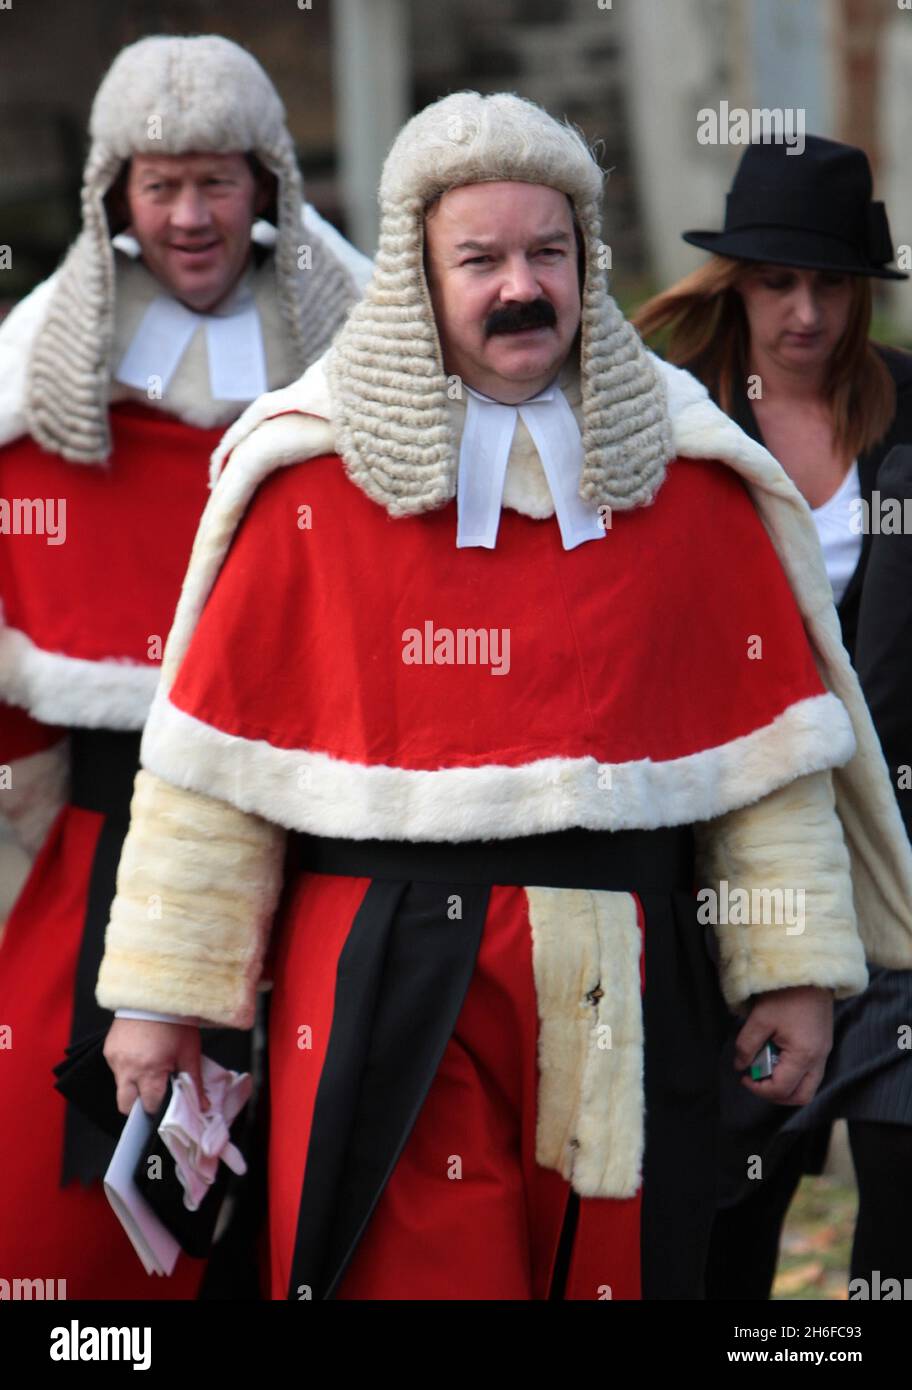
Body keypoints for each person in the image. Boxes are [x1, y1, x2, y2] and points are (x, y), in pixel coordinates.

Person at [98, 94, 912, 1301]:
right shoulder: (308, 473)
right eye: (480, 260)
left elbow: (763, 755)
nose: (520, 288)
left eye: (548, 253)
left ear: (585, 256)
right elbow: (211, 770)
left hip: (629, 968)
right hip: (377, 963)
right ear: (421, 277)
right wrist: (164, 997)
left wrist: (788, 965)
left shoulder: (686, 474)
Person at [0, 34, 370, 1300]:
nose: (192, 215)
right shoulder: (31, 391)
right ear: (115, 194)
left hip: (331, 845)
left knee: (325, 1183)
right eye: (161, 185)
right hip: (95, 849)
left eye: (216, 179)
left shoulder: (378, 361)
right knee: (65, 1220)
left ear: (267, 181)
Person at [633, 134, 912, 1298]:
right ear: (733, 283)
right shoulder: (670, 430)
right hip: (737, 879)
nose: (806, 312)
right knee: (728, 1215)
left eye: (831, 284)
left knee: (900, 1215)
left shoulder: (911, 414)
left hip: (896, 874)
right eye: (776, 282)